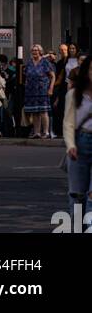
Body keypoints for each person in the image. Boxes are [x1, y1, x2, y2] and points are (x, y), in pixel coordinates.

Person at [65, 55, 92, 219]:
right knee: (77, 195)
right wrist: (70, 145)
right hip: (80, 143)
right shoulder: (74, 94)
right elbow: (68, 123)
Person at [23, 44, 56, 138]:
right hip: (31, 90)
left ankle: (46, 132)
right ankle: (37, 132)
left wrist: (51, 88)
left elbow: (53, 76)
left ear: (40, 52)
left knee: (43, 111)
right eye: (33, 50)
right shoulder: (29, 62)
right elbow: (26, 76)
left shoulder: (45, 62)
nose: (34, 52)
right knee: (34, 112)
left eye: (36, 50)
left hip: (42, 90)